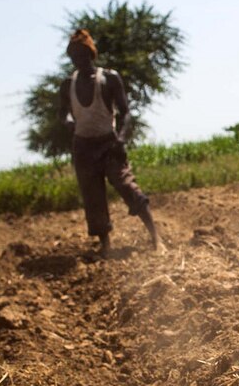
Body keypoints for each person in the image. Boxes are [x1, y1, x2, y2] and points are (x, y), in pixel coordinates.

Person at [58, 29, 163, 257]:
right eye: (75, 57)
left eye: (83, 56)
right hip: (83, 147)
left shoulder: (109, 78)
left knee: (127, 186)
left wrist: (121, 139)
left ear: (91, 55)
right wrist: (68, 123)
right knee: (93, 196)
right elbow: (62, 113)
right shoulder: (68, 84)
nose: (80, 61)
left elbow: (126, 113)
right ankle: (105, 246)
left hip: (109, 144)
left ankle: (156, 238)